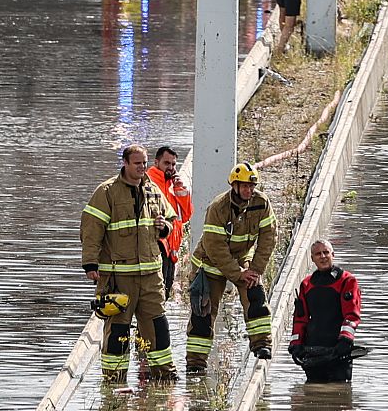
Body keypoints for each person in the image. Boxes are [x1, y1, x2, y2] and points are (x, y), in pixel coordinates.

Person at [81, 145, 178, 382]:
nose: (142, 167)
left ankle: (164, 379)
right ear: (125, 163)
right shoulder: (107, 192)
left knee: (158, 326)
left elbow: (171, 219)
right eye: (137, 163)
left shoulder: (153, 190)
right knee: (118, 330)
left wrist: (164, 226)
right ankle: (114, 381)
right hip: (119, 277)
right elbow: (92, 229)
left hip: (150, 275)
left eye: (144, 163)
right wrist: (91, 264)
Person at [185, 163, 276, 370]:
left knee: (256, 298)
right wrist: (237, 273)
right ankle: (196, 363)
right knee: (203, 315)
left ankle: (262, 344)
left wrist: (255, 270)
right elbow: (214, 247)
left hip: (243, 261)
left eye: (251, 186)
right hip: (208, 265)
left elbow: (268, 237)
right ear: (234, 186)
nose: (248, 191)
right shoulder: (219, 207)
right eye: (244, 186)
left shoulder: (261, 203)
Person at [289, 240, 361, 383]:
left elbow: (352, 315)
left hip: (339, 349)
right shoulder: (306, 284)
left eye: (326, 252)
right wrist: (296, 344)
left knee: (340, 393)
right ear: (312, 259)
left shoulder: (347, 281)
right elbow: (300, 319)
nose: (322, 256)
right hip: (312, 349)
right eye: (318, 254)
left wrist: (346, 339)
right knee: (312, 393)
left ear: (332, 255)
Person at [146, 144, 191, 299]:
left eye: (173, 164)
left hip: (171, 250)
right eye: (167, 163)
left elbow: (185, 217)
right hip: (157, 247)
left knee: (163, 294)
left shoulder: (173, 185)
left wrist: (181, 191)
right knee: (155, 297)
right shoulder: (149, 182)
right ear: (156, 162)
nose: (171, 167)